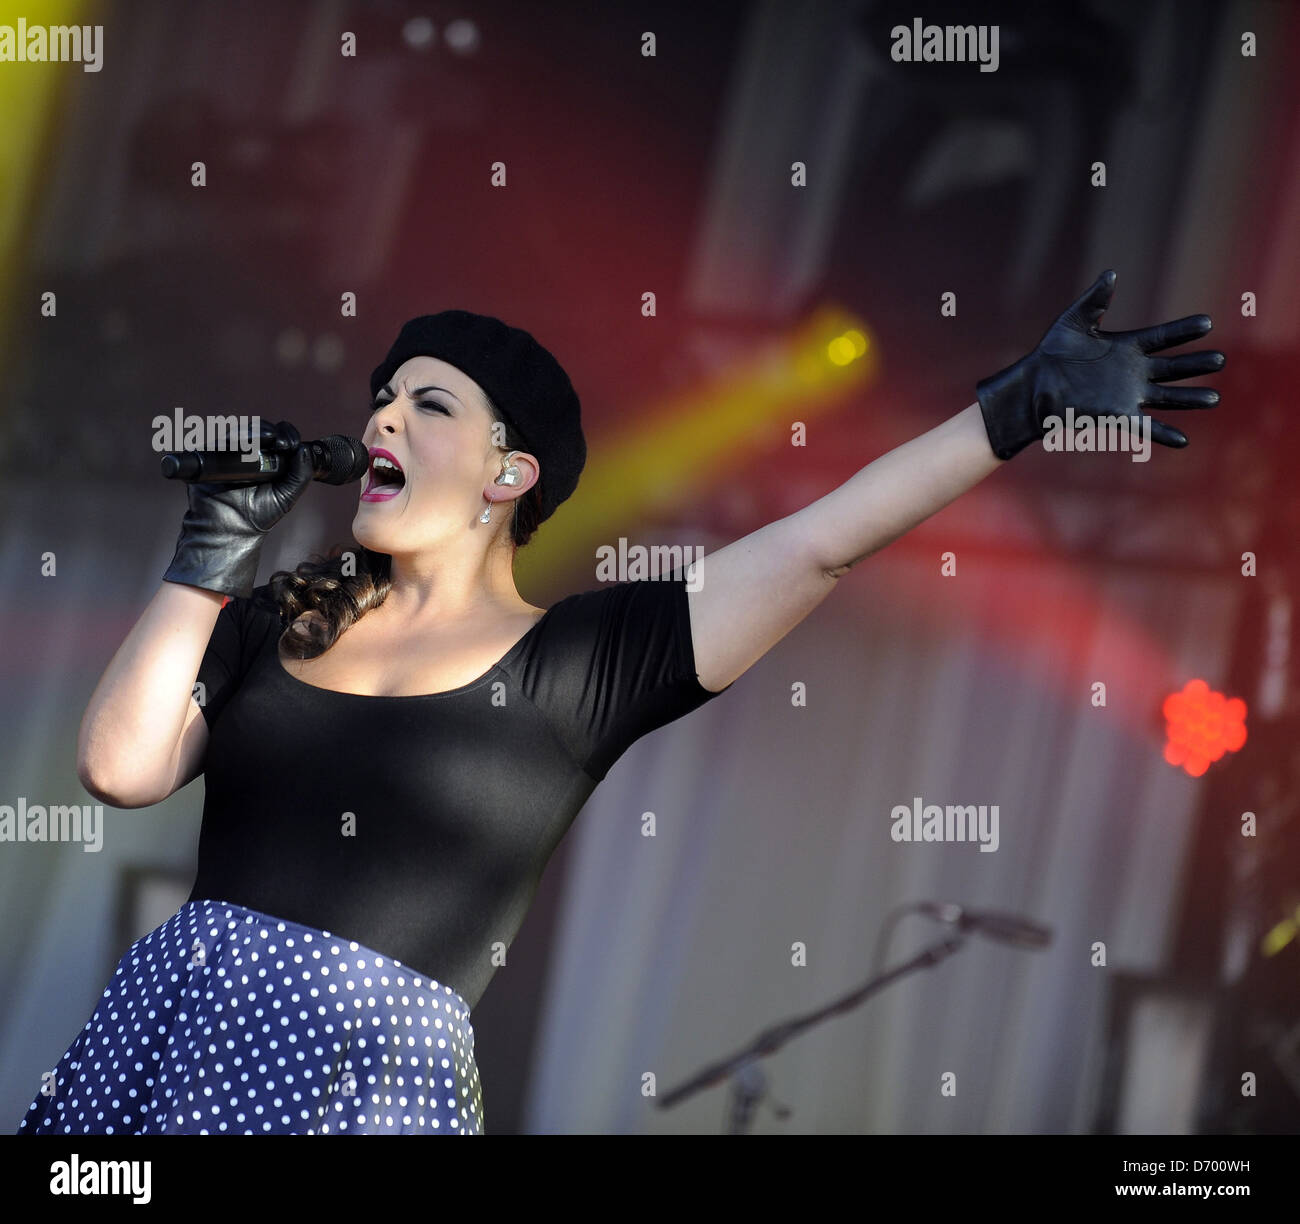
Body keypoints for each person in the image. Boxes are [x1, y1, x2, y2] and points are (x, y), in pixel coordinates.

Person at [16, 272, 1223, 1135]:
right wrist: (208, 553)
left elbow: (816, 547)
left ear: (510, 472)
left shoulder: (581, 664)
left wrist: (1010, 411)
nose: (382, 415)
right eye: (384, 395)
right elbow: (121, 770)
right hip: (175, 1025)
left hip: (362, 1073)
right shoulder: (281, 616)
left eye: (429, 404)